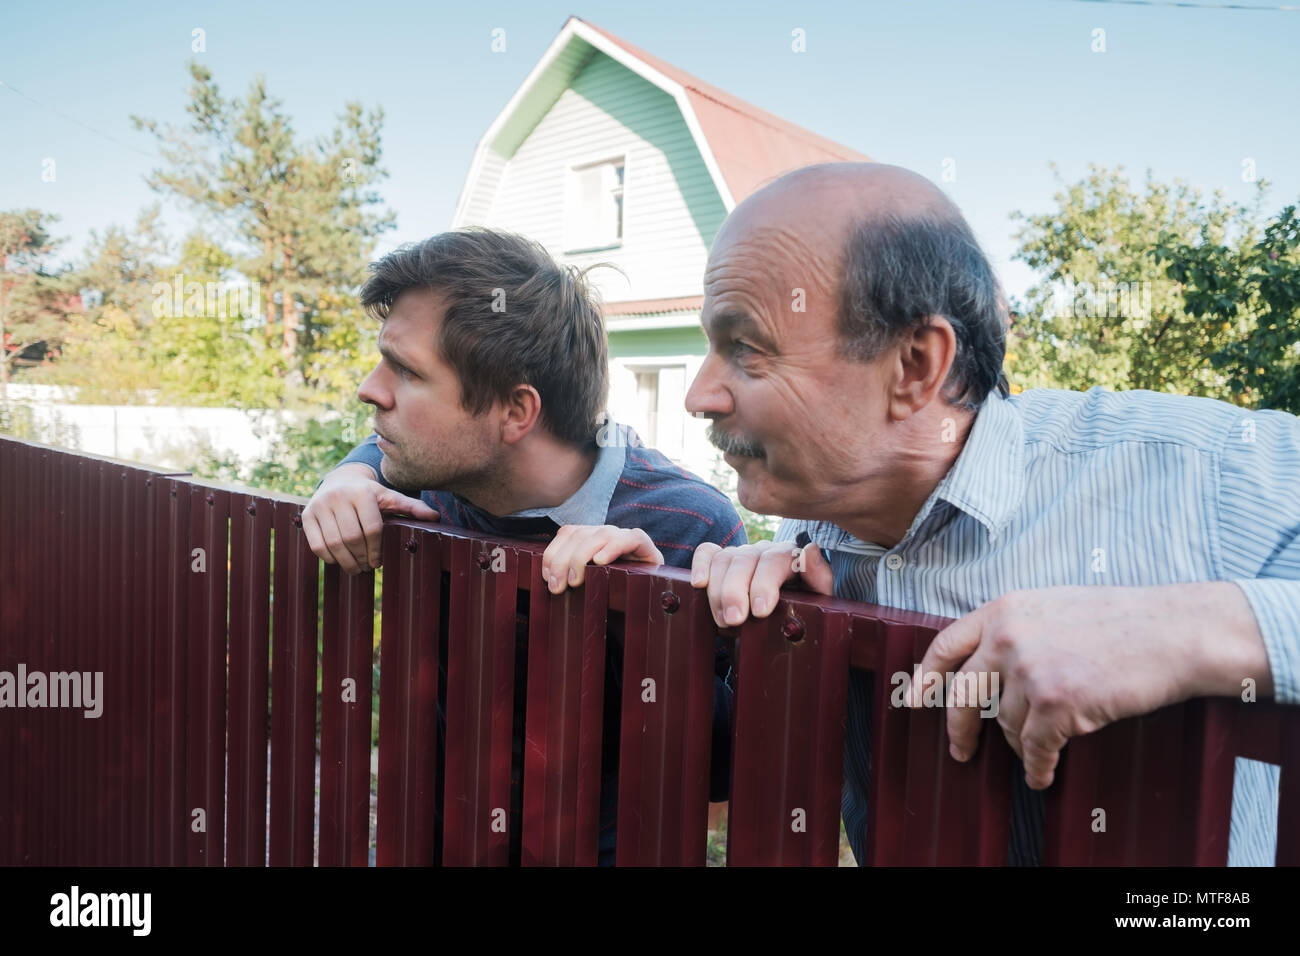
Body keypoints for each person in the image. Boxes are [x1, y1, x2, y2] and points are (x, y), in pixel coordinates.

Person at [684, 162, 1299, 866]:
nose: (700, 395)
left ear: (915, 366)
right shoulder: (815, 530)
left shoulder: (1202, 471)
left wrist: (1190, 627)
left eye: (746, 350)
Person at [302, 228, 745, 865]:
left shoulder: (686, 525)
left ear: (516, 412)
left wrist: (646, 617)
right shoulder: (442, 470)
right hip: (437, 833)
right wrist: (349, 473)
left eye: (406, 370)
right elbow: (385, 450)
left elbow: (725, 769)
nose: (371, 390)